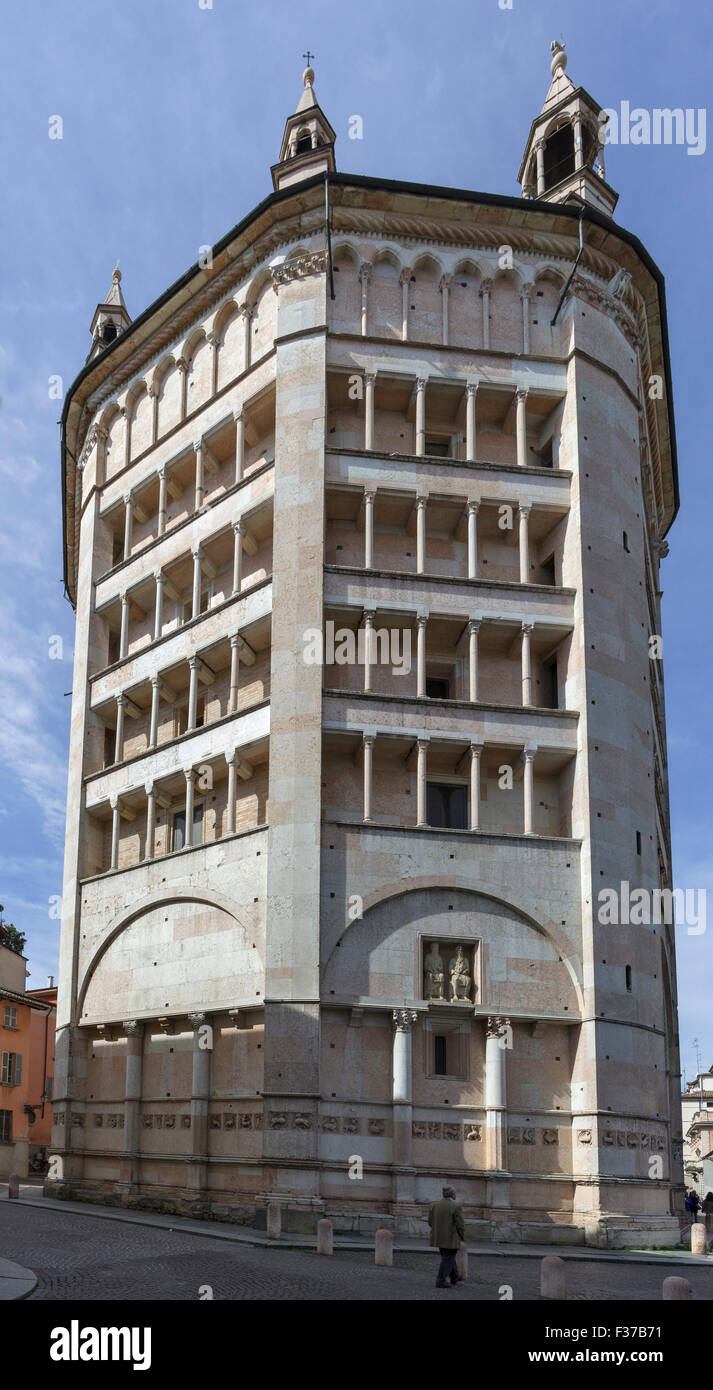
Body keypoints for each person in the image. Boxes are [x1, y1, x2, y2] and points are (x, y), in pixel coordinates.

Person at [428, 1184, 465, 1288]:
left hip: (438, 1237)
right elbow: (460, 1224)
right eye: (455, 1192)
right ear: (452, 1194)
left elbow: (430, 1222)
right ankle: (440, 1280)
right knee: (448, 1258)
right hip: (451, 1238)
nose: (455, 1194)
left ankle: (455, 1276)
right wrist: (462, 1236)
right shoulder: (455, 1206)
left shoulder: (434, 1205)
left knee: (448, 1257)